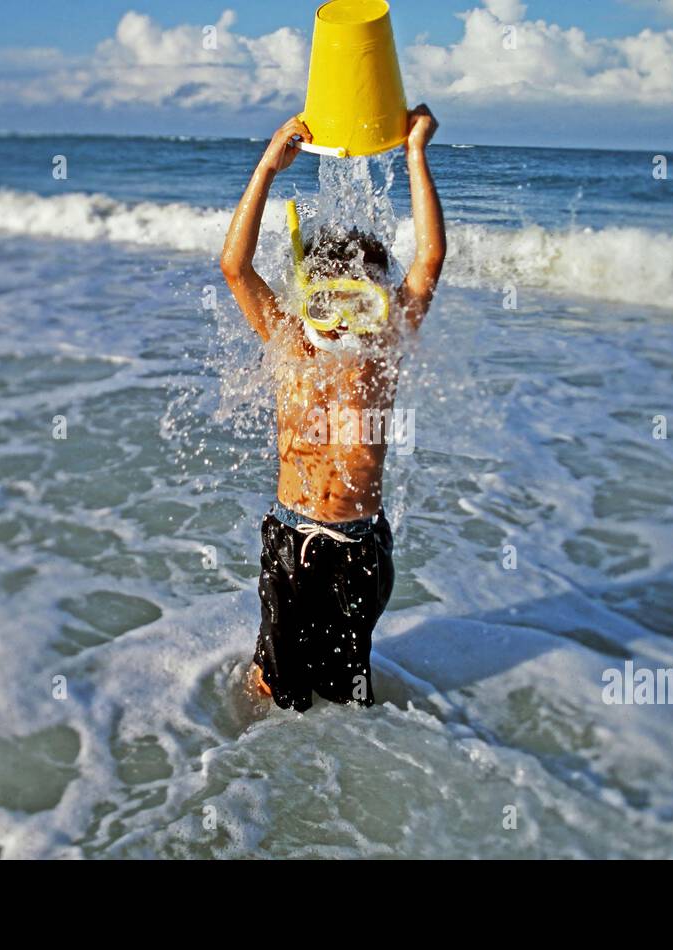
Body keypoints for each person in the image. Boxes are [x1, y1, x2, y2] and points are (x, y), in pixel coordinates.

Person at [219, 105, 445, 712]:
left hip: (357, 551)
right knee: (273, 683)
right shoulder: (289, 341)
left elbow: (427, 263)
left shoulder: (384, 350)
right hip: (291, 542)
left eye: (361, 303)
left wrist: (415, 154)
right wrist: (268, 167)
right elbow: (234, 268)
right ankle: (243, 763)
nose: (344, 321)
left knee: (348, 696)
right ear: (307, 296)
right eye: (328, 302)